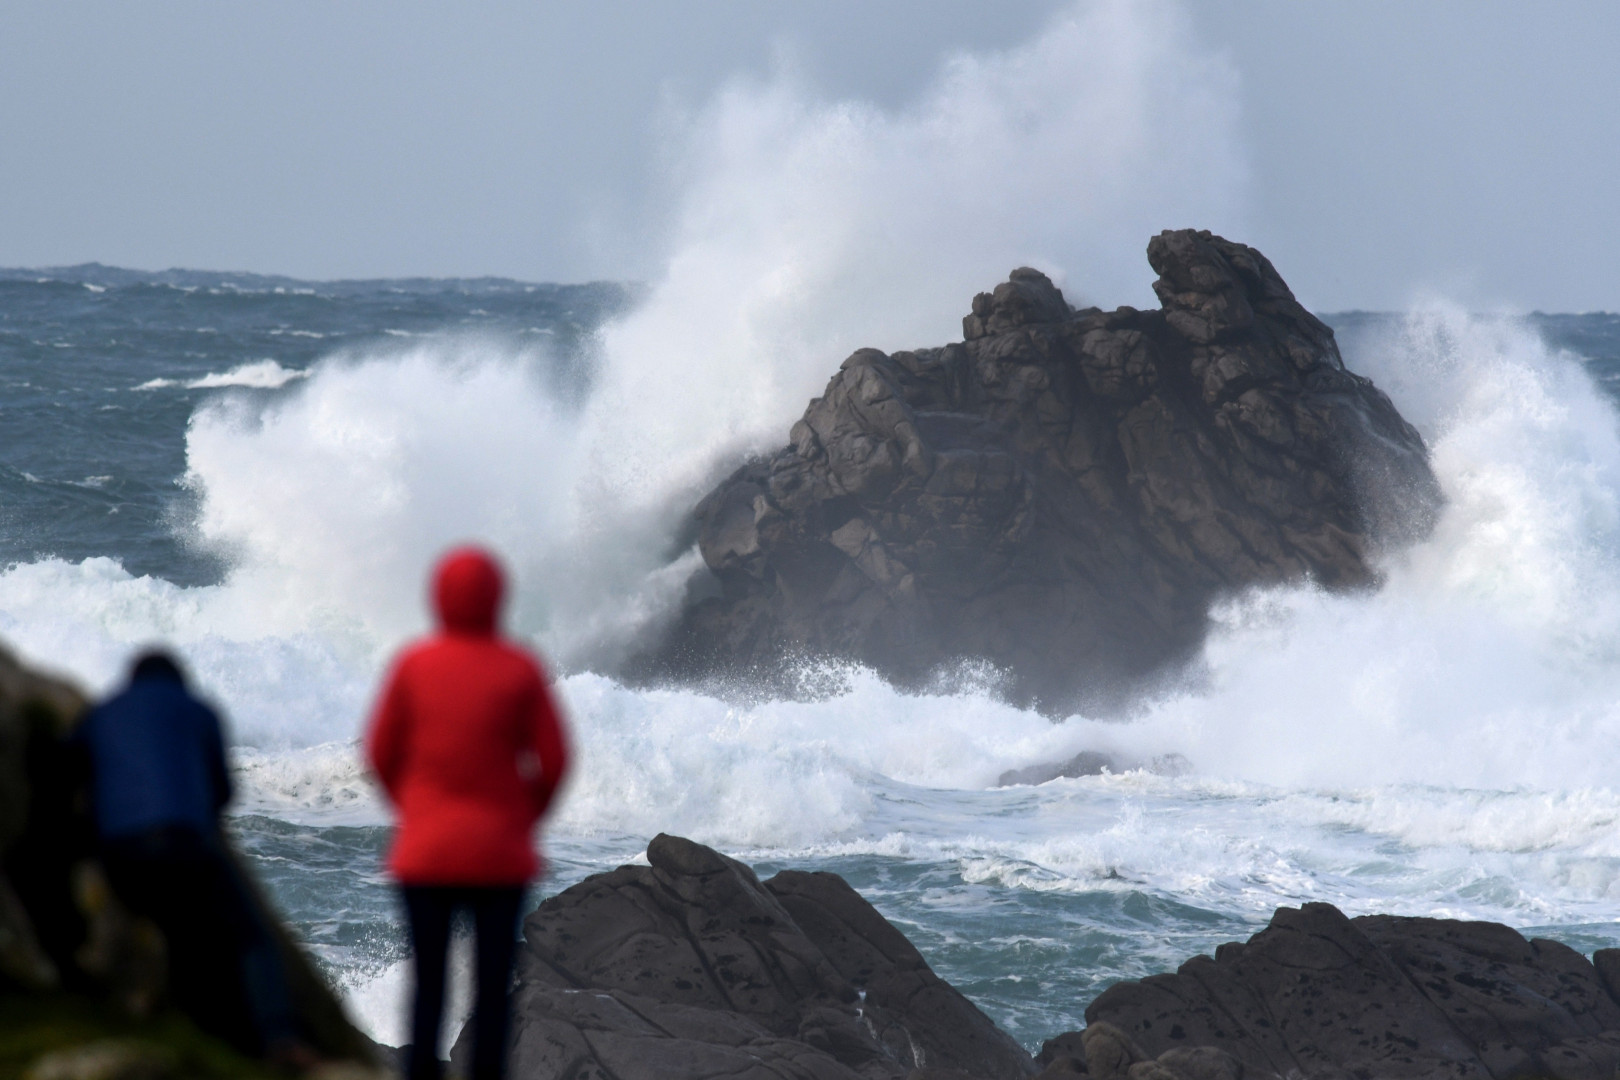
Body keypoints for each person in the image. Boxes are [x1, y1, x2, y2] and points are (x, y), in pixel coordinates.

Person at [366, 545, 572, 1080]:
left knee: (428, 982)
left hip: (426, 853)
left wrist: (414, 810)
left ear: (437, 597)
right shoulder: (519, 668)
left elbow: (380, 753)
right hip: (500, 856)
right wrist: (525, 817)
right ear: (498, 598)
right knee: (492, 984)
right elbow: (554, 760)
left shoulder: (413, 664)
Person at [73, 650, 308, 1062]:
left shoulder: (102, 711)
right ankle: (278, 1038)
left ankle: (116, 1014)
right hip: (182, 844)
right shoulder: (199, 710)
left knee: (149, 926)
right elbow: (223, 792)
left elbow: (70, 765)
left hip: (119, 853)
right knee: (249, 937)